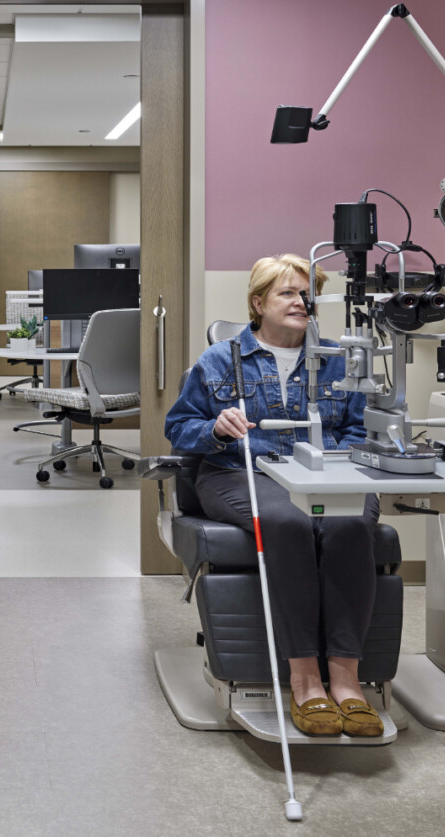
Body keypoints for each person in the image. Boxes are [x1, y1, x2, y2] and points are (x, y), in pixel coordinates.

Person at [164, 254, 383, 737]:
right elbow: (178, 427)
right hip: (238, 471)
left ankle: (346, 680)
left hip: (327, 474)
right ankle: (305, 679)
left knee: (347, 523)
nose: (301, 302)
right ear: (258, 302)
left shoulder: (340, 361)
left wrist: (331, 457)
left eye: (308, 293)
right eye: (288, 292)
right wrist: (216, 428)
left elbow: (362, 430)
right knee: (287, 522)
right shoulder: (221, 359)